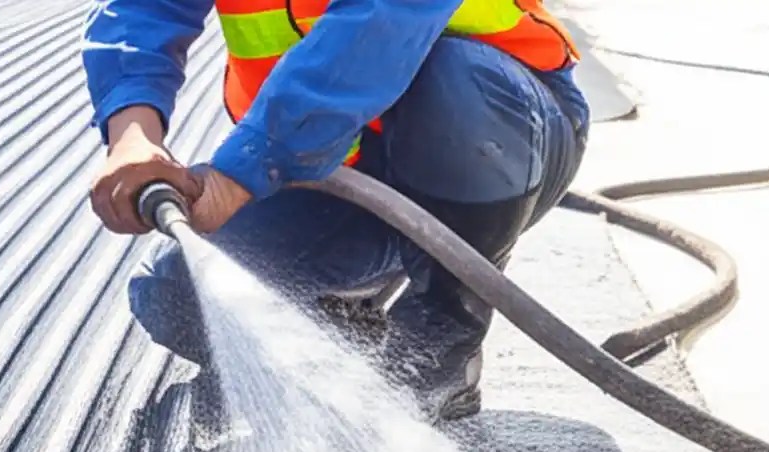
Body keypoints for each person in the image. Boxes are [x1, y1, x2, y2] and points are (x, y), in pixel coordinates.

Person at [82, 0, 590, 421]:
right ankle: (346, 313)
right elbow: (142, 11)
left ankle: (442, 337)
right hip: (331, 169)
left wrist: (241, 173)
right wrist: (133, 136)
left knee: (457, 80)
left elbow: (382, 24)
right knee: (176, 298)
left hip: (506, 136)